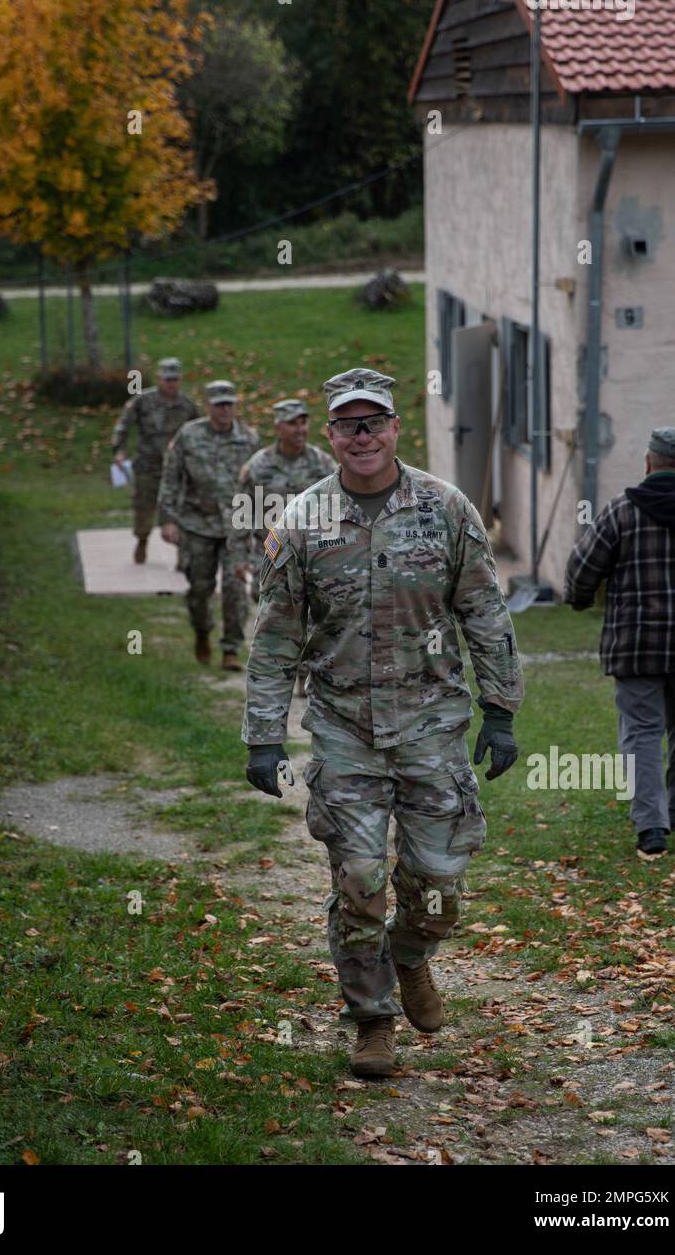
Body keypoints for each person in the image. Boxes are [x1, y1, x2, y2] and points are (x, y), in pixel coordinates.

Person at [241, 367, 523, 1078]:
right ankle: (372, 1019)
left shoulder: (447, 509)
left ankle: (413, 954)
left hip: (432, 728)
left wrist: (500, 709)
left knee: (437, 888)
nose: (361, 436)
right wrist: (265, 735)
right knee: (359, 883)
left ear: (397, 428)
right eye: (347, 425)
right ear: (331, 435)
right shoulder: (301, 521)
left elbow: (484, 613)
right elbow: (275, 638)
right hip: (344, 729)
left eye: (374, 423)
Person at [564, 426, 675, 861]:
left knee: (642, 734)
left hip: (635, 647)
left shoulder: (620, 513)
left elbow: (581, 572)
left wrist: (577, 600)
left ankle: (652, 826)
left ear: (648, 462)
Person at [158, 379, 259, 670]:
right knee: (199, 589)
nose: (225, 409)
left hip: (235, 529)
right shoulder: (188, 436)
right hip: (196, 524)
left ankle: (231, 648)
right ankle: (202, 632)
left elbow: (258, 483)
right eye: (219, 404)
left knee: (234, 588)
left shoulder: (249, 439)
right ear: (209, 406)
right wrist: (167, 520)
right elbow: (171, 479)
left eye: (230, 403)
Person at [237, 398, 335, 602]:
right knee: (269, 612)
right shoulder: (258, 466)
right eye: (292, 424)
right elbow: (242, 515)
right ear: (278, 427)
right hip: (271, 553)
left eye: (303, 423)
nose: (300, 429)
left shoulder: (323, 465)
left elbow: (339, 511)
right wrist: (238, 556)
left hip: (312, 555)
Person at [111, 356, 198, 563]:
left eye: (175, 379)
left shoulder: (187, 406)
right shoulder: (142, 401)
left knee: (179, 508)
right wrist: (119, 450)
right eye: (167, 379)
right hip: (147, 465)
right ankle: (142, 540)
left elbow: (199, 433)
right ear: (159, 379)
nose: (171, 384)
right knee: (143, 506)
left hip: (177, 468)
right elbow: (122, 426)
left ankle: (182, 552)